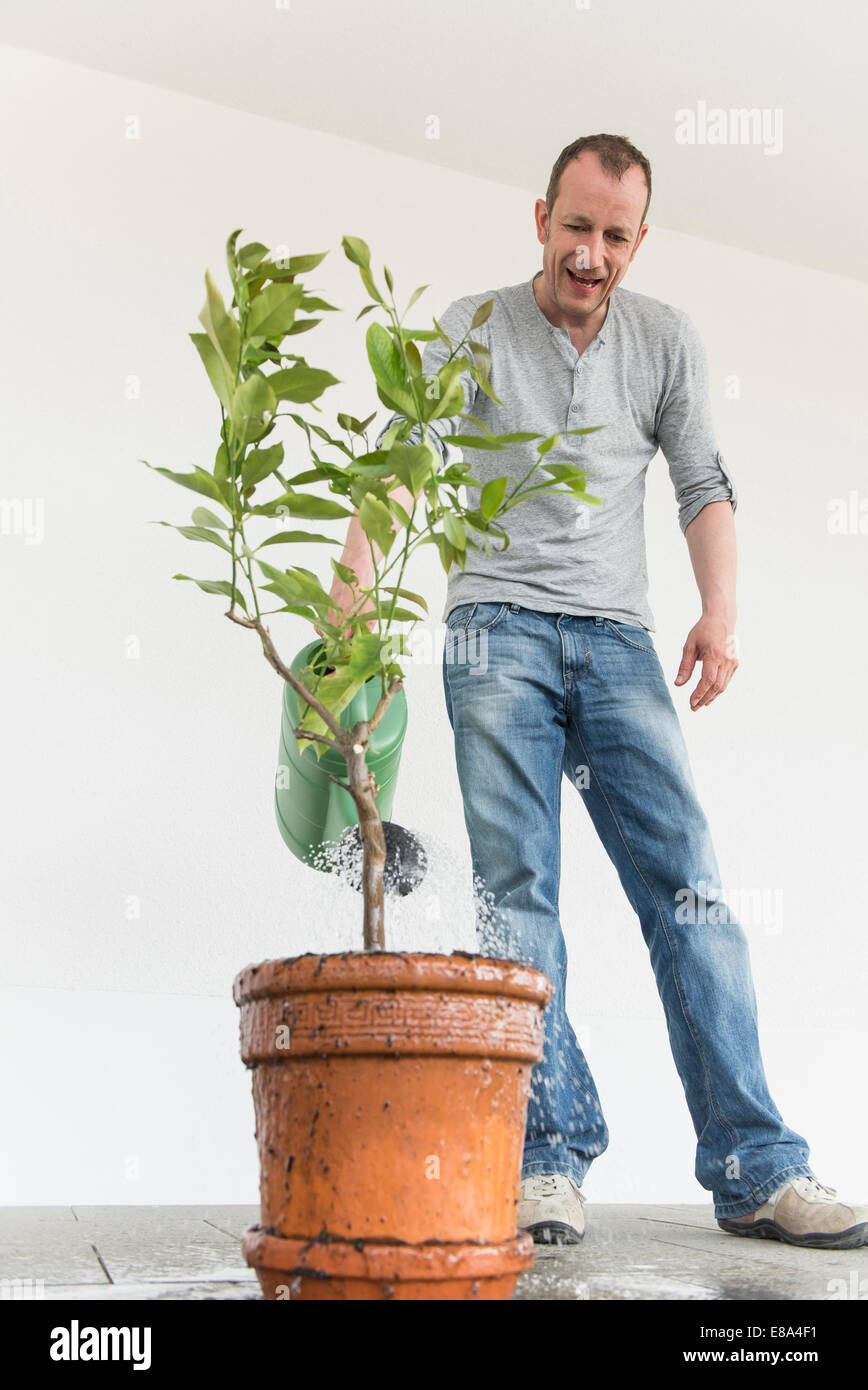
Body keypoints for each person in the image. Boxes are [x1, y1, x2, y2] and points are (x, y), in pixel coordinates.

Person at [327, 133, 867, 1250]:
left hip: (618, 645)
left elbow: (702, 482)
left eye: (613, 235)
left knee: (694, 897)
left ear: (639, 239)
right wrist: (347, 610)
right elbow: (394, 467)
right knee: (517, 898)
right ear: (539, 218)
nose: (590, 254)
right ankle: (545, 1159)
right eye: (575, 227)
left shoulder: (665, 339)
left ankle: (756, 1165)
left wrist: (720, 615)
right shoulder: (471, 329)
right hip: (494, 636)